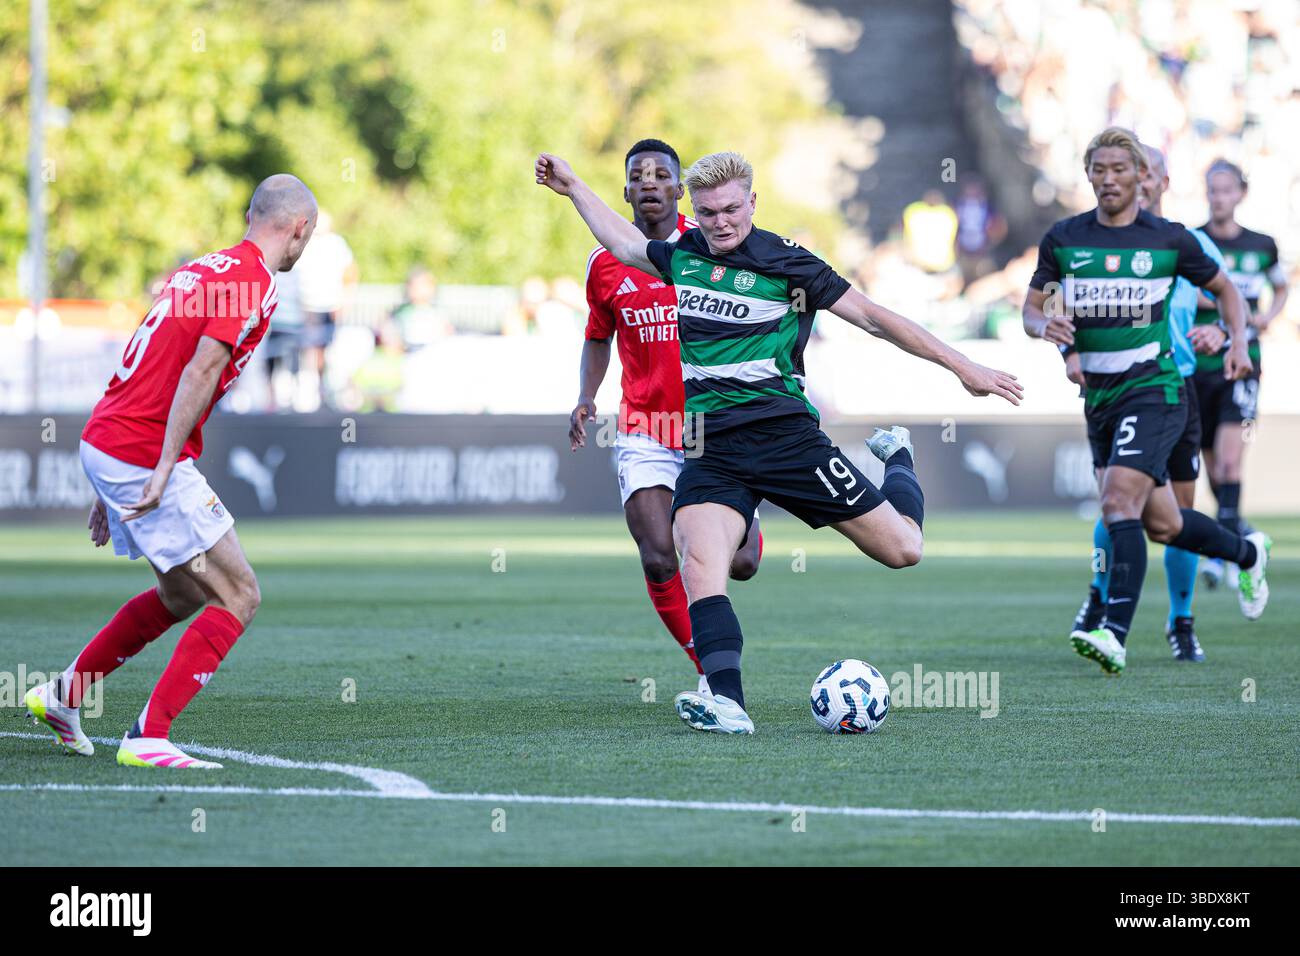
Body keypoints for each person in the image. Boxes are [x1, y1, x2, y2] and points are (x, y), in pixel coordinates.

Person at [538, 148, 1022, 733]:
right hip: (713, 448)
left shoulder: (788, 262)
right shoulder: (684, 256)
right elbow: (622, 244)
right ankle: (728, 703)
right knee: (700, 560)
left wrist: (962, 365)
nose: (721, 222)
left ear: (753, 202)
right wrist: (573, 188)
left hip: (787, 440)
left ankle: (897, 458)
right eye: (709, 211)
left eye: (732, 209)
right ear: (695, 211)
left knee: (904, 550)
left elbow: (874, 317)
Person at [24, 174, 318, 768]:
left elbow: (150, 356)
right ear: (299, 229)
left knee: (182, 590)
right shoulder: (252, 280)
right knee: (239, 594)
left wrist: (111, 475)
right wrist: (157, 466)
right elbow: (202, 368)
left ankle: (64, 696)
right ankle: (147, 736)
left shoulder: (202, 269)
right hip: (140, 449)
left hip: (112, 437)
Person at [1022, 127, 1270, 677]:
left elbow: (1227, 290)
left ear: (1144, 179)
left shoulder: (1172, 239)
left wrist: (1234, 342)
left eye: (1121, 169)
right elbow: (1032, 309)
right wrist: (1048, 330)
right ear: (1087, 175)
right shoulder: (1064, 239)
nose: (1109, 179)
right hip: (1102, 398)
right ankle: (1247, 553)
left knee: (1116, 502)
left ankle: (1113, 629)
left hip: (1160, 388)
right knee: (1164, 522)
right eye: (1099, 169)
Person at [570, 138, 761, 695]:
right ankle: (710, 670)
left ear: (680, 189)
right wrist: (586, 396)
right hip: (644, 427)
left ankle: (751, 524)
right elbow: (597, 336)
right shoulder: (604, 262)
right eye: (638, 175)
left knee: (743, 563)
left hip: (714, 425)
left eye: (660, 174)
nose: (648, 182)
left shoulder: (711, 246)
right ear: (625, 191)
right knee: (658, 555)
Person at [1066, 144, 1228, 662]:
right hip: (1115, 391)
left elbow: (1224, 300)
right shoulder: (1093, 242)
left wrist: (1220, 334)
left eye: (1151, 172)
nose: (1144, 181)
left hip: (1173, 389)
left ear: (1159, 179)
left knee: (1173, 510)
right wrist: (1071, 349)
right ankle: (1100, 597)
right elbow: (1063, 301)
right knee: (1116, 502)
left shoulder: (1185, 242)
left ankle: (1180, 621)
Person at [1193, 160, 1289, 590]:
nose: (1219, 198)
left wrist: (1266, 316)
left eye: (1226, 190)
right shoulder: (1193, 241)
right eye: (1213, 190)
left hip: (1242, 362)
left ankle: (1219, 557)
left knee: (1231, 461)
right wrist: (1220, 308)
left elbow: (1281, 285)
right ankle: (1243, 539)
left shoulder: (1262, 244)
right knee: (1213, 471)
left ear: (1240, 194)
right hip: (1197, 366)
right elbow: (1188, 290)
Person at [293, 209, 357, 407]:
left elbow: (350, 272)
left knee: (324, 348)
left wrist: (345, 300)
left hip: (328, 304)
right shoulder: (305, 243)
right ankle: (310, 389)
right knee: (307, 347)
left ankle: (322, 388)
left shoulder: (336, 244)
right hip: (306, 304)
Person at [391, 267, 452, 352]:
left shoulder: (438, 312)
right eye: (415, 286)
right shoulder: (401, 312)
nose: (419, 290)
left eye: (423, 286)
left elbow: (447, 332)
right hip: (409, 350)